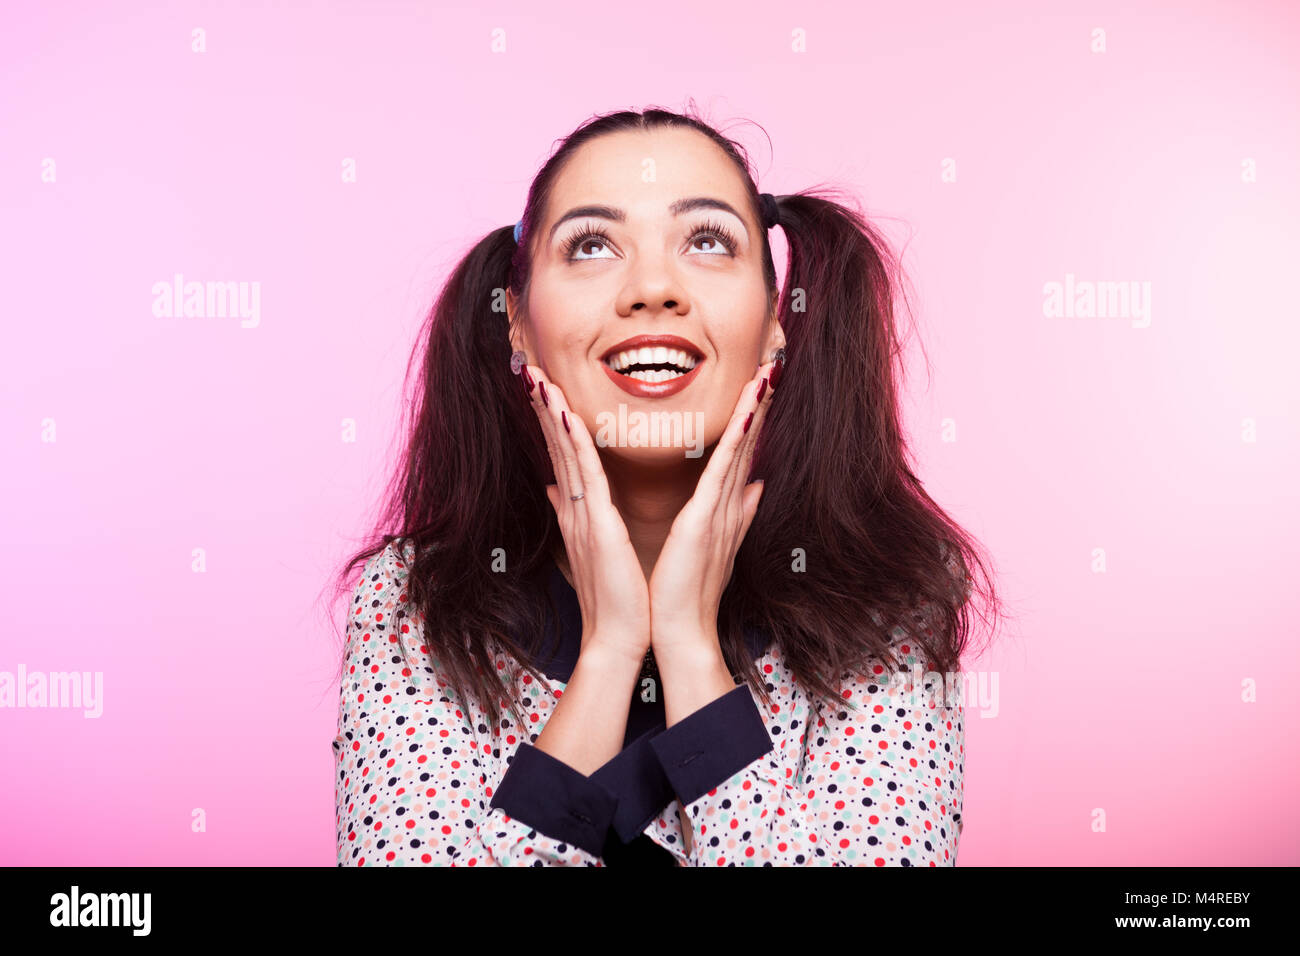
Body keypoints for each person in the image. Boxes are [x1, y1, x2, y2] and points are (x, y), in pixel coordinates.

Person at [331, 106, 1001, 866]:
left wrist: (686, 645)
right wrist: (611, 650)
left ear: (776, 319)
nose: (653, 287)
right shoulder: (415, 602)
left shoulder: (887, 599)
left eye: (708, 241)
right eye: (590, 246)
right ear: (516, 323)